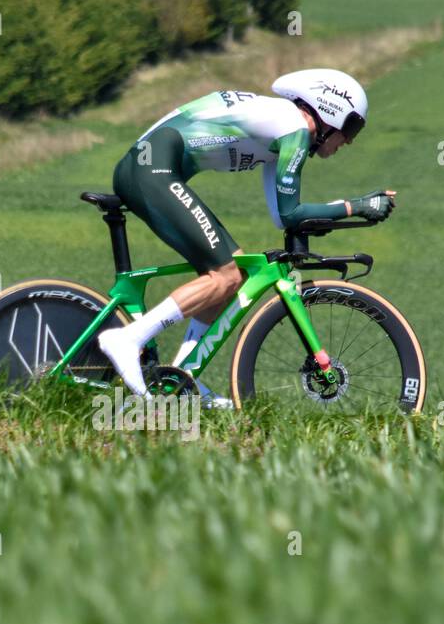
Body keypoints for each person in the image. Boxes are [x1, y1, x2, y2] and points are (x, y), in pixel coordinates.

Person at [98, 68, 397, 403]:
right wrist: (356, 206)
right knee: (225, 275)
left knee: (232, 275)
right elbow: (289, 214)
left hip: (149, 168)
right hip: (150, 171)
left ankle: (180, 380)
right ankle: (128, 339)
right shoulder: (294, 129)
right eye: (352, 127)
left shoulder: (281, 131)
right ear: (330, 112)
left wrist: (347, 210)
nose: (351, 140)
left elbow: (284, 216)